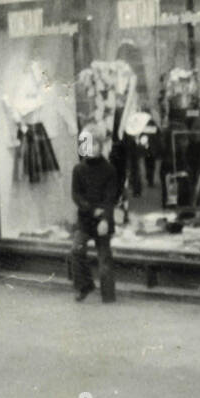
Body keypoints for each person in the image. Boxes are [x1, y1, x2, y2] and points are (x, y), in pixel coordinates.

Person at [69, 123, 120, 304]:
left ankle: (108, 295)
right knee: (76, 250)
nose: (91, 149)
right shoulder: (79, 170)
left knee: (104, 257)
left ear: (101, 145)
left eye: (95, 144)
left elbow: (110, 197)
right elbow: (76, 195)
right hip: (85, 219)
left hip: (102, 220)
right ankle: (84, 285)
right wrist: (91, 209)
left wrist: (105, 218)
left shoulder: (109, 170)